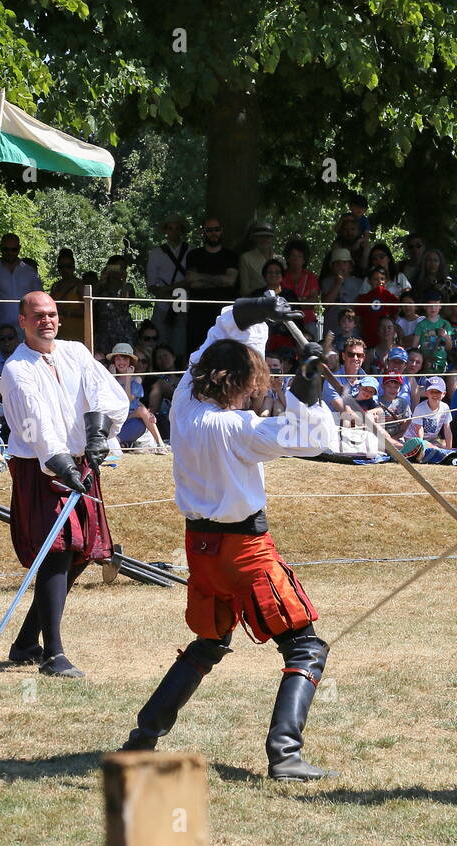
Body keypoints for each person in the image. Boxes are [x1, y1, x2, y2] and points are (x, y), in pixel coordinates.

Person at [119, 296, 341, 781]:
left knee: (208, 643)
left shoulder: (182, 402)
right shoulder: (238, 428)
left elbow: (221, 333)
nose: (254, 393)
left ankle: (143, 738)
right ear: (233, 384)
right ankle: (284, 754)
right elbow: (310, 438)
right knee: (306, 649)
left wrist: (259, 309)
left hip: (201, 552)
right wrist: (307, 384)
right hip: (245, 552)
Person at [0, 291, 129, 678]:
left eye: (52, 314)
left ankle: (26, 642)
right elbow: (34, 423)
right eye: (38, 315)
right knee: (57, 551)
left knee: (81, 552)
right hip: (40, 467)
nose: (47, 321)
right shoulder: (16, 368)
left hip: (82, 459)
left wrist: (97, 435)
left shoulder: (75, 352)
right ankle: (53, 655)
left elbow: (107, 394)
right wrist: (59, 464)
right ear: (23, 320)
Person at [184, 217, 239, 358]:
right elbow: (191, 281)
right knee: (198, 354)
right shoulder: (194, 255)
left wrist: (201, 277)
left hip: (224, 313)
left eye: (217, 229)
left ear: (222, 231)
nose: (214, 233)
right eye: (209, 230)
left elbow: (230, 281)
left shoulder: (231, 256)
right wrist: (219, 279)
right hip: (198, 314)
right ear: (203, 232)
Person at [146, 214, 192, 357]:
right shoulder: (156, 253)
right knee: (160, 338)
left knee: (181, 337)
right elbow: (151, 283)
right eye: (170, 228)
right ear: (165, 231)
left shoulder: (191, 251)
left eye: (177, 228)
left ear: (182, 231)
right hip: (162, 301)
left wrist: (174, 292)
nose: (174, 231)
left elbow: (192, 279)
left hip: (183, 298)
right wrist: (166, 295)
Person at [0, 234, 42, 338]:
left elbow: (39, 300)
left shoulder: (30, 273)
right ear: (0, 248)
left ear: (19, 249)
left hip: (26, 329)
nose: (10, 252)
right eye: (6, 249)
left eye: (13, 249)